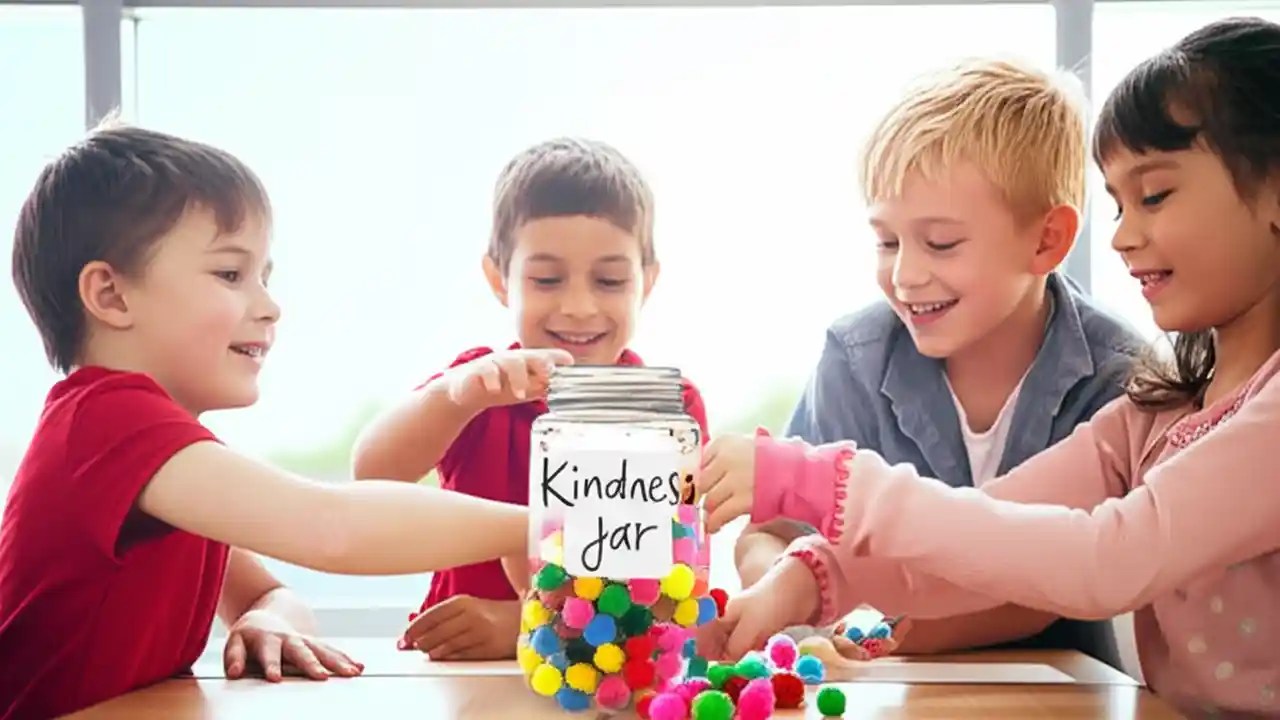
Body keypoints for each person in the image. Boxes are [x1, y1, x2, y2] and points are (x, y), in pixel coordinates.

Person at [699, 17, 1280, 718]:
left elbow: (1108, 558)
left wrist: (825, 481)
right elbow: (996, 523)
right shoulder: (1155, 413)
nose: (1124, 236)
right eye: (1119, 203)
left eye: (1154, 195)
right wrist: (804, 582)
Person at [0, 123, 535, 720]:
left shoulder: (165, 463)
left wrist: (266, 620)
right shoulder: (106, 425)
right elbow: (332, 527)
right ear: (111, 295)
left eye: (265, 277)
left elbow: (270, 592)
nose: (270, 305)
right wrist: (549, 524)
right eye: (231, 274)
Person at [734, 57, 1139, 664]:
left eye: (941, 243)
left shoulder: (1119, 376)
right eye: (887, 241)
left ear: (1046, 240)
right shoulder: (856, 358)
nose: (904, 275)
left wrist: (887, 629)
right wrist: (788, 600)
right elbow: (771, 534)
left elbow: (1052, 585)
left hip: (1057, 693)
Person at [351, 137, 709, 659]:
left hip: (608, 673)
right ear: (500, 279)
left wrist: (526, 624)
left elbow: (665, 588)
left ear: (646, 282)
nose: (579, 306)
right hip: (460, 672)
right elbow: (373, 475)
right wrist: (454, 398)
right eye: (546, 279)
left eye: (609, 280)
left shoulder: (670, 408)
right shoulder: (480, 388)